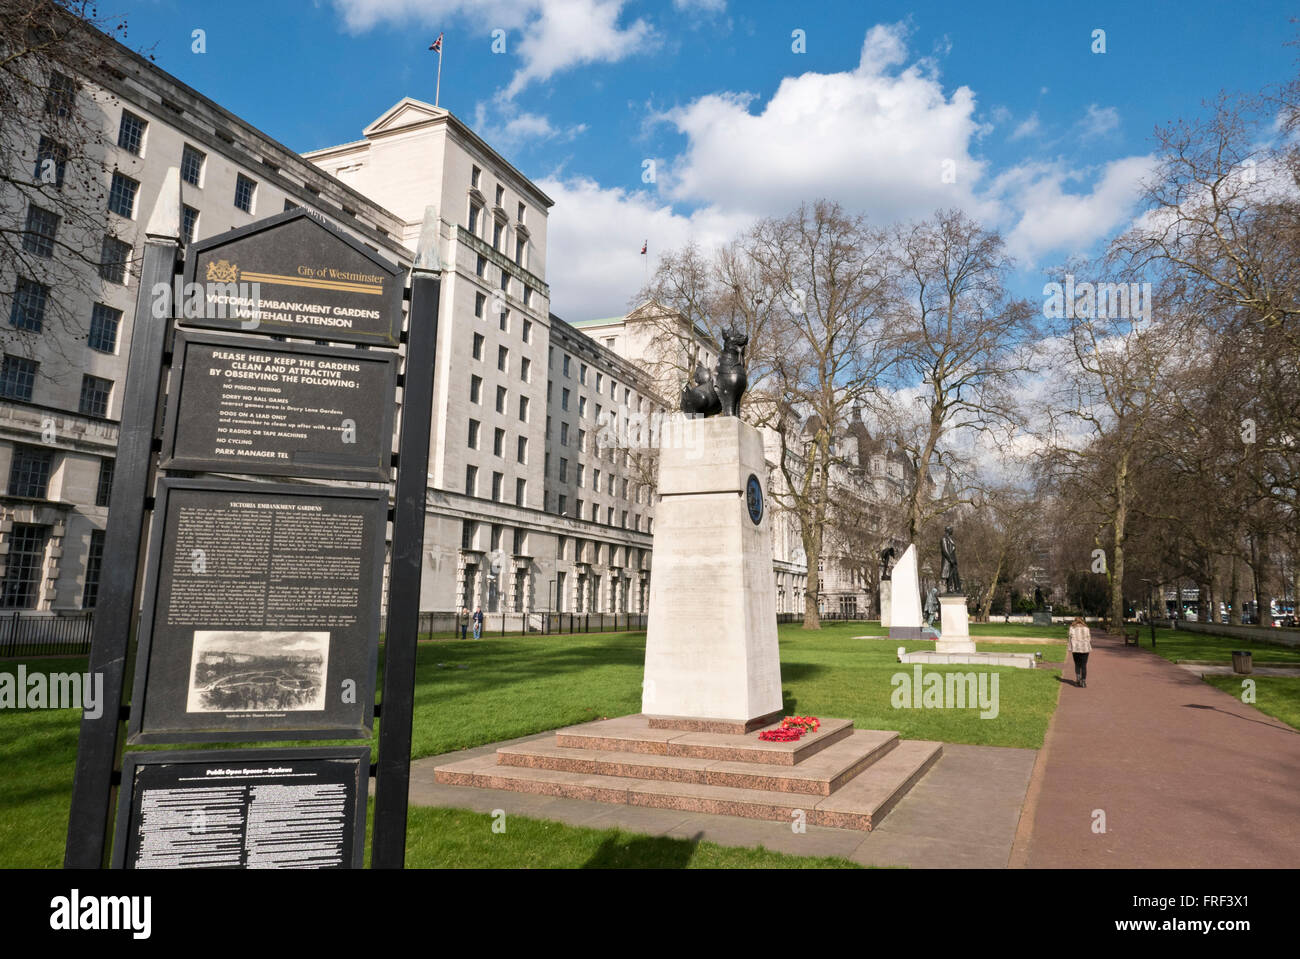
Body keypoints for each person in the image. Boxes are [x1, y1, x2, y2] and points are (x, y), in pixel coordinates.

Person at [1068, 616, 1092, 687]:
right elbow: (1089, 638)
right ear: (1082, 621)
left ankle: (1078, 680)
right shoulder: (1086, 628)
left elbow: (1070, 638)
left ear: (1074, 621)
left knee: (1077, 664)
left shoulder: (1072, 628)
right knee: (1084, 665)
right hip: (1085, 648)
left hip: (1076, 649)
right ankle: (1083, 682)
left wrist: (1070, 648)